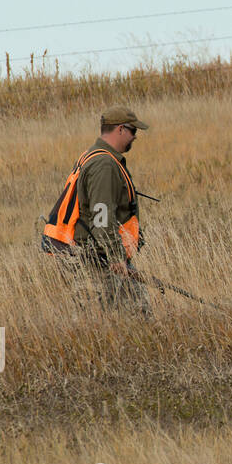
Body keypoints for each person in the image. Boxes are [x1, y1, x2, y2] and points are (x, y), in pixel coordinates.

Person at [43, 106, 152, 314]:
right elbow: (102, 216)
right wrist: (115, 255)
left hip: (94, 254)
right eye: (133, 131)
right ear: (120, 129)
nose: (135, 137)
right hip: (97, 258)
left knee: (126, 316)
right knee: (129, 316)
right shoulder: (104, 164)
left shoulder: (92, 155)